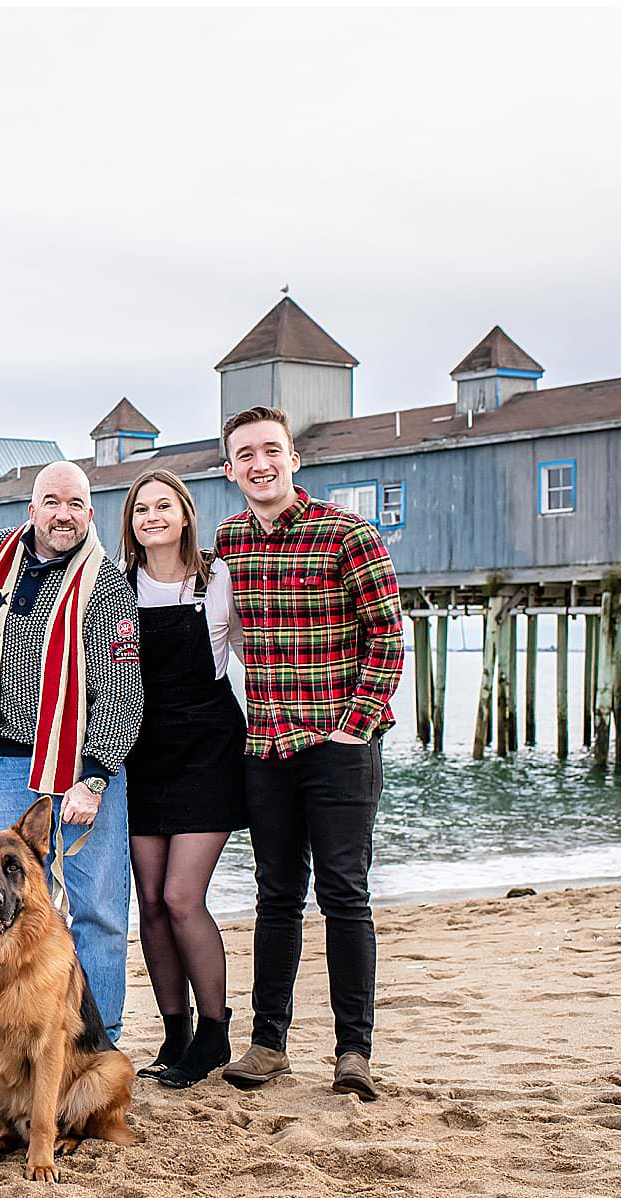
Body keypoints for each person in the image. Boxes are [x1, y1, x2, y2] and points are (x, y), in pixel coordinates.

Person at [213, 405, 402, 1102]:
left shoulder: (349, 534)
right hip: (264, 747)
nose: (260, 464)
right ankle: (269, 1045)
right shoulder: (231, 541)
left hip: (338, 746)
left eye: (272, 451)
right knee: (276, 898)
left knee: (345, 895)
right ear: (229, 470)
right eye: (245, 455)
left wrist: (356, 724)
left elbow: (386, 633)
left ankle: (354, 1052)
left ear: (294, 459)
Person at [0, 461, 143, 1045]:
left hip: (88, 766)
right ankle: (13, 1031)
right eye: (51, 502)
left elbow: (121, 682)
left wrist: (95, 777)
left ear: (89, 513)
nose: (62, 514)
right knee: (2, 900)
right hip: (12, 761)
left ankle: (99, 1037)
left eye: (74, 504)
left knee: (96, 907)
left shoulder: (108, 583)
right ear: (32, 508)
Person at [117, 469, 247, 1089]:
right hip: (142, 751)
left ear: (185, 514)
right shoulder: (116, 586)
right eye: (142, 509)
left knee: (179, 898)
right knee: (149, 905)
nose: (152, 517)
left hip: (207, 751)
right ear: (131, 523)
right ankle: (176, 1032)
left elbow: (258, 652)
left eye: (163, 506)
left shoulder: (217, 577)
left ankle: (215, 1034)